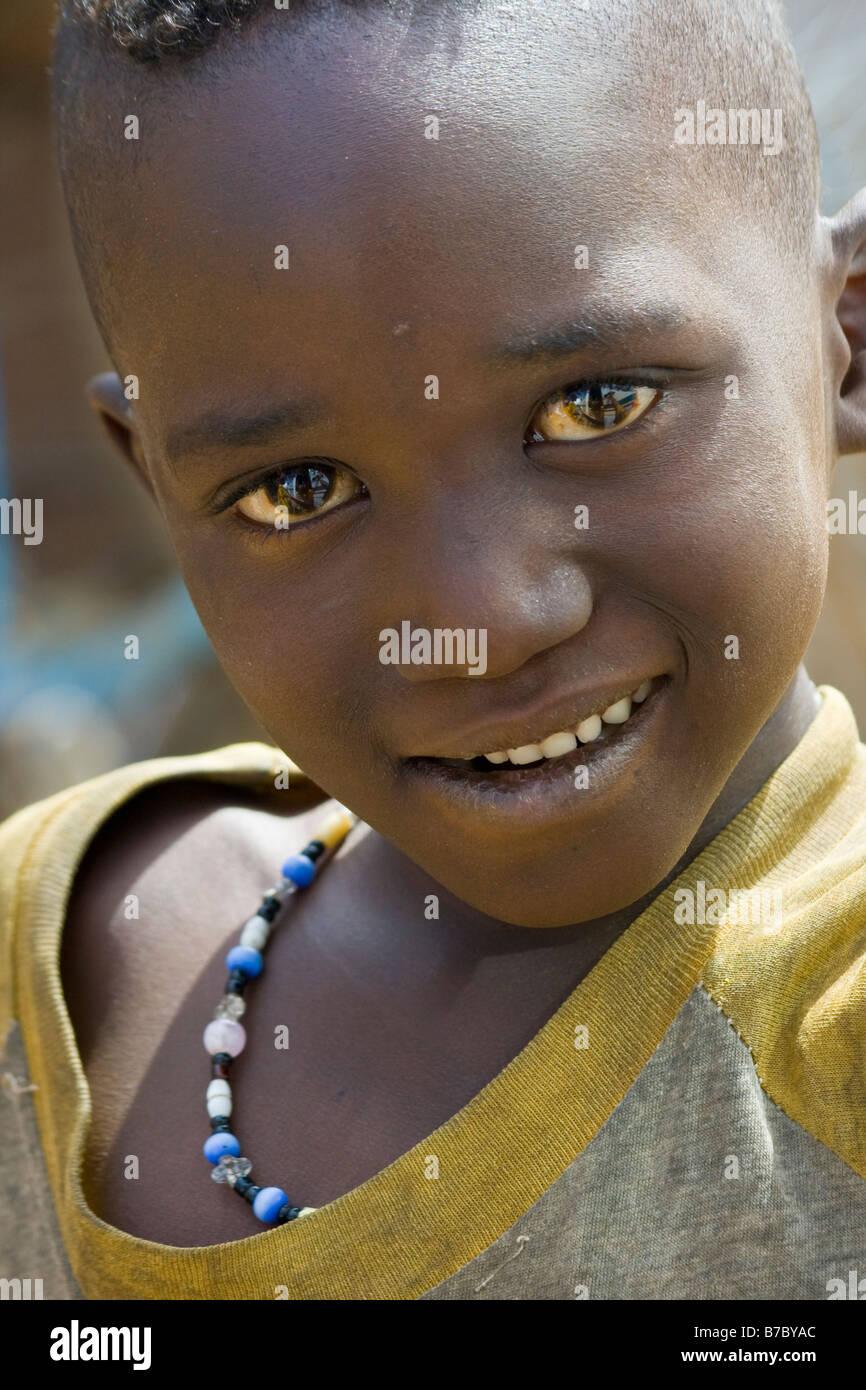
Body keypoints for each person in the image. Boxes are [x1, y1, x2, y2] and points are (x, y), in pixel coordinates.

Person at [1, 0, 865, 1300]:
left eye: (596, 405)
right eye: (295, 488)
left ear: (843, 336)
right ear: (152, 476)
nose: (476, 619)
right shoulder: (58, 954)